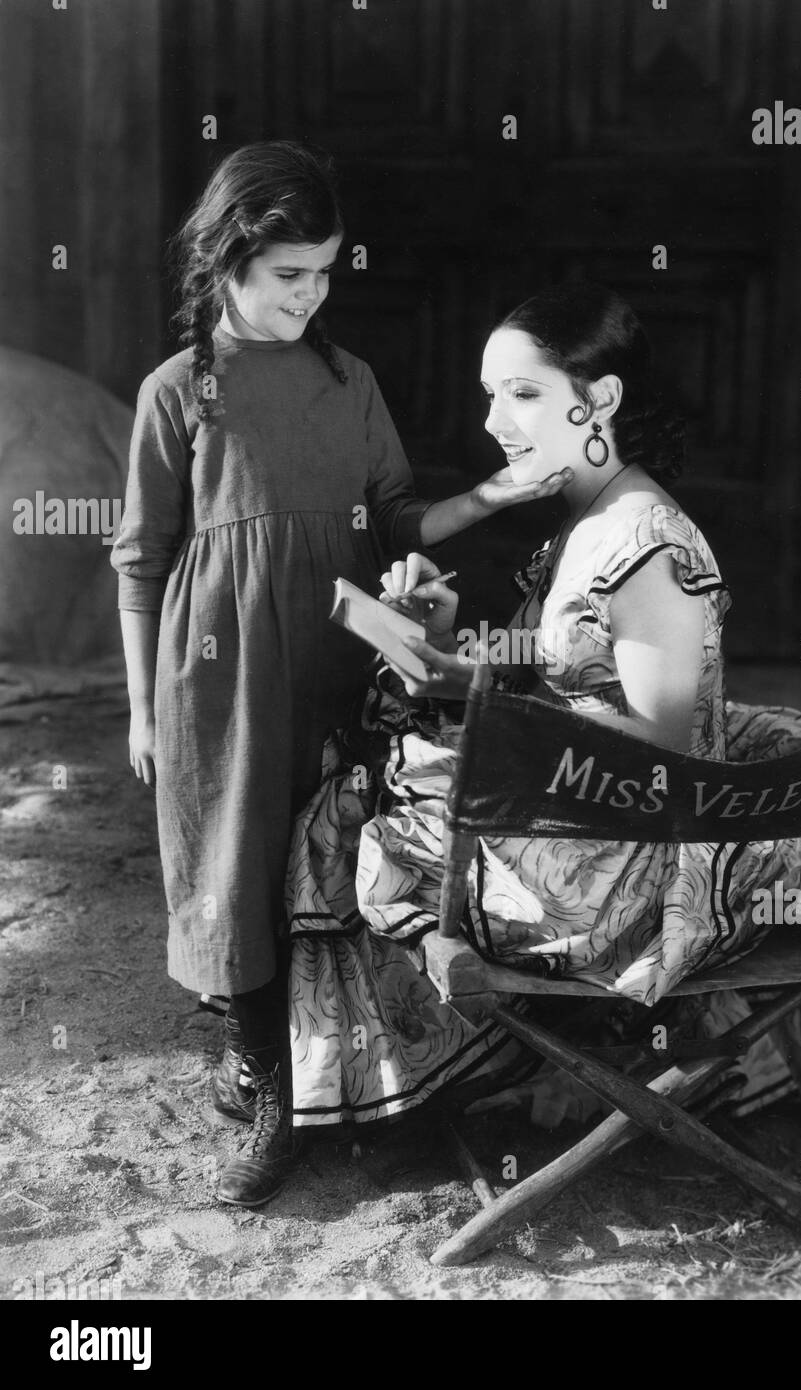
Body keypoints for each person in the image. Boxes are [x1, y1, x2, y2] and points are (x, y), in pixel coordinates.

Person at [287, 282, 801, 1149]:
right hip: (588, 813)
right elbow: (563, 676)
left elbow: (664, 742)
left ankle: (456, 1073)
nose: (496, 421)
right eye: (491, 394)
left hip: (633, 863)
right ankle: (456, 1072)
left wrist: (491, 722)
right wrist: (444, 642)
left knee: (349, 819)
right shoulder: (586, 522)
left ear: (598, 398)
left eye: (523, 394)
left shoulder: (646, 544)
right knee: (362, 794)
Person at [110, 141, 570, 1208]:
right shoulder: (178, 391)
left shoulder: (348, 379)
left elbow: (400, 511)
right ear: (228, 259)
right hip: (216, 683)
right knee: (232, 873)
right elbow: (139, 560)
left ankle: (347, 1073)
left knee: (323, 863)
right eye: (290, 275)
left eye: (325, 273)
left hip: (338, 663)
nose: (312, 295)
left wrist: (491, 501)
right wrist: (140, 705)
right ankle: (270, 1095)